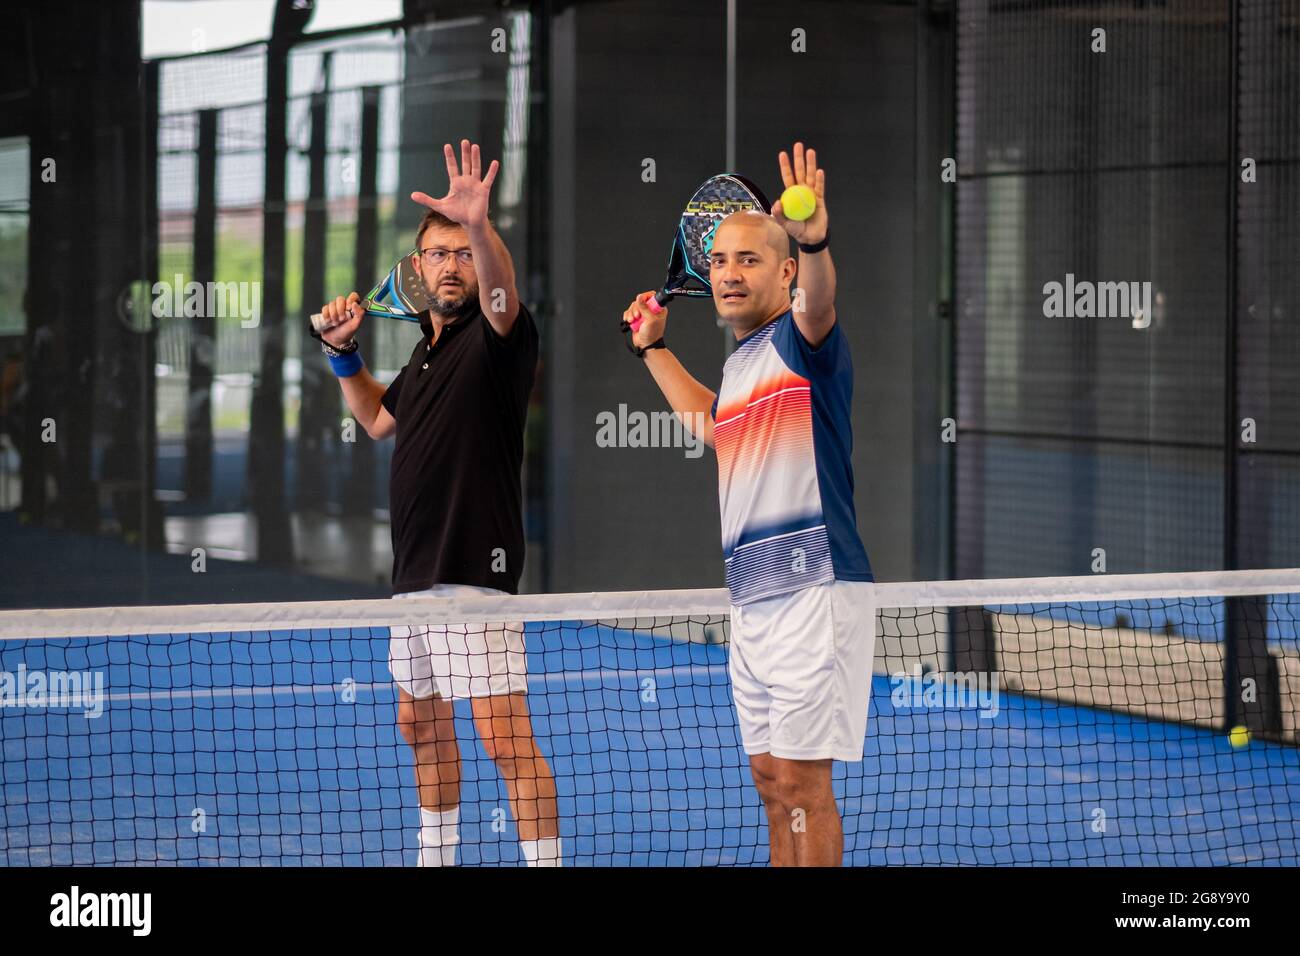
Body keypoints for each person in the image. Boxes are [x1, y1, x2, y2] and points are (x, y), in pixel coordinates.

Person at [623, 142, 875, 866]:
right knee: (770, 782)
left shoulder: (803, 343)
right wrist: (653, 352)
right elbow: (713, 425)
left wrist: (816, 238)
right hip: (754, 600)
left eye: (751, 259)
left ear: (786, 271)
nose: (730, 272)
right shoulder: (742, 363)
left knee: (803, 783)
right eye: (721, 260)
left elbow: (823, 300)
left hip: (814, 592)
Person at [318, 139, 560, 867]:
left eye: (463, 251)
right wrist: (341, 356)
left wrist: (480, 228)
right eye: (439, 253)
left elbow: (499, 295)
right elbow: (376, 420)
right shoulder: (423, 356)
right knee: (418, 724)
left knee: (504, 737)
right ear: (417, 271)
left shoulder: (497, 340)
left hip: (473, 574)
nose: (452, 263)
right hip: (412, 579)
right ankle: (438, 858)